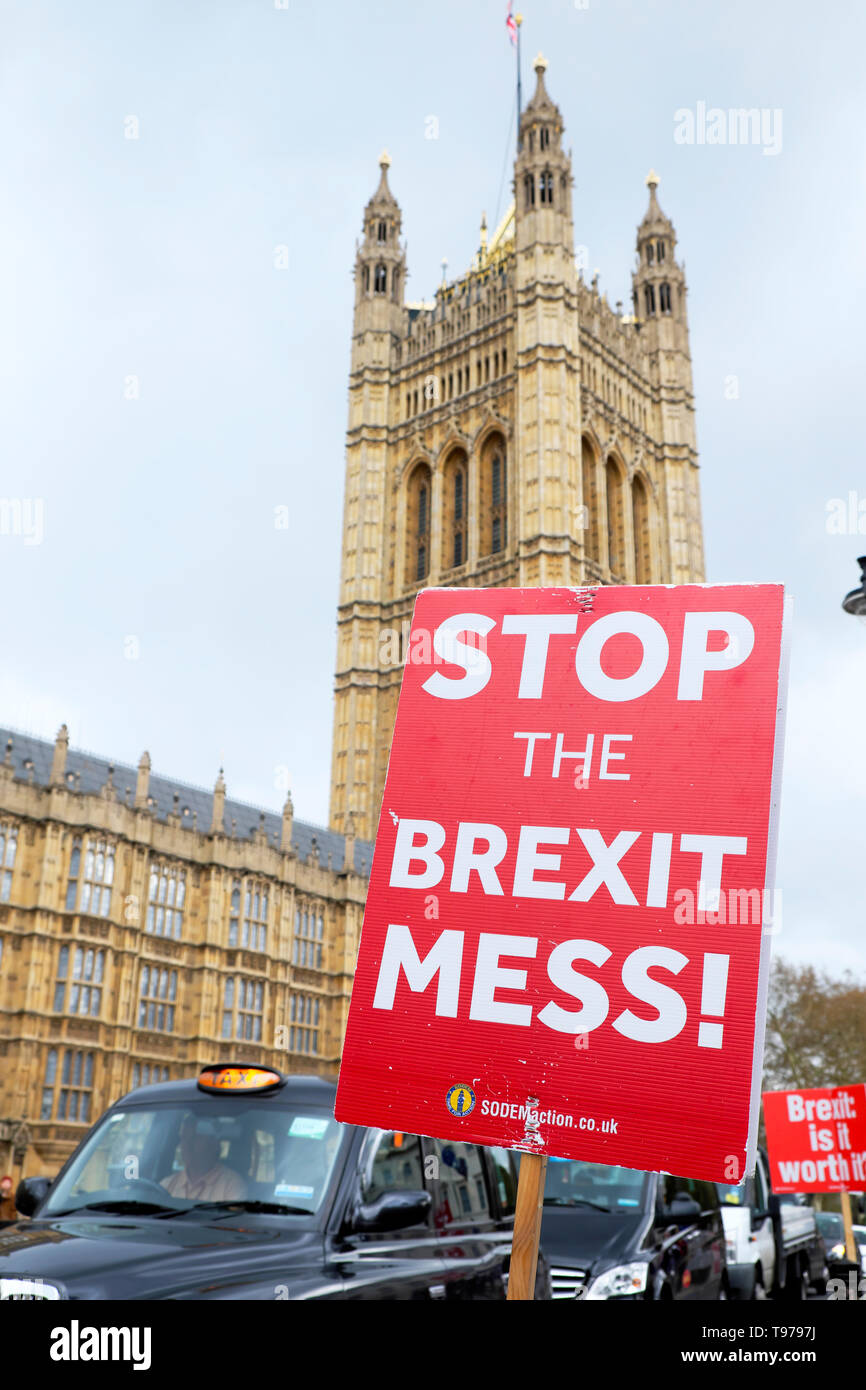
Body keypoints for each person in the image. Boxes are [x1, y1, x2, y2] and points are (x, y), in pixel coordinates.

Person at [160, 1117, 245, 1202]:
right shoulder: (167, 1185)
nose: (187, 1144)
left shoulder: (232, 1185)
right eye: (184, 1138)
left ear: (214, 1144)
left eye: (195, 1138)